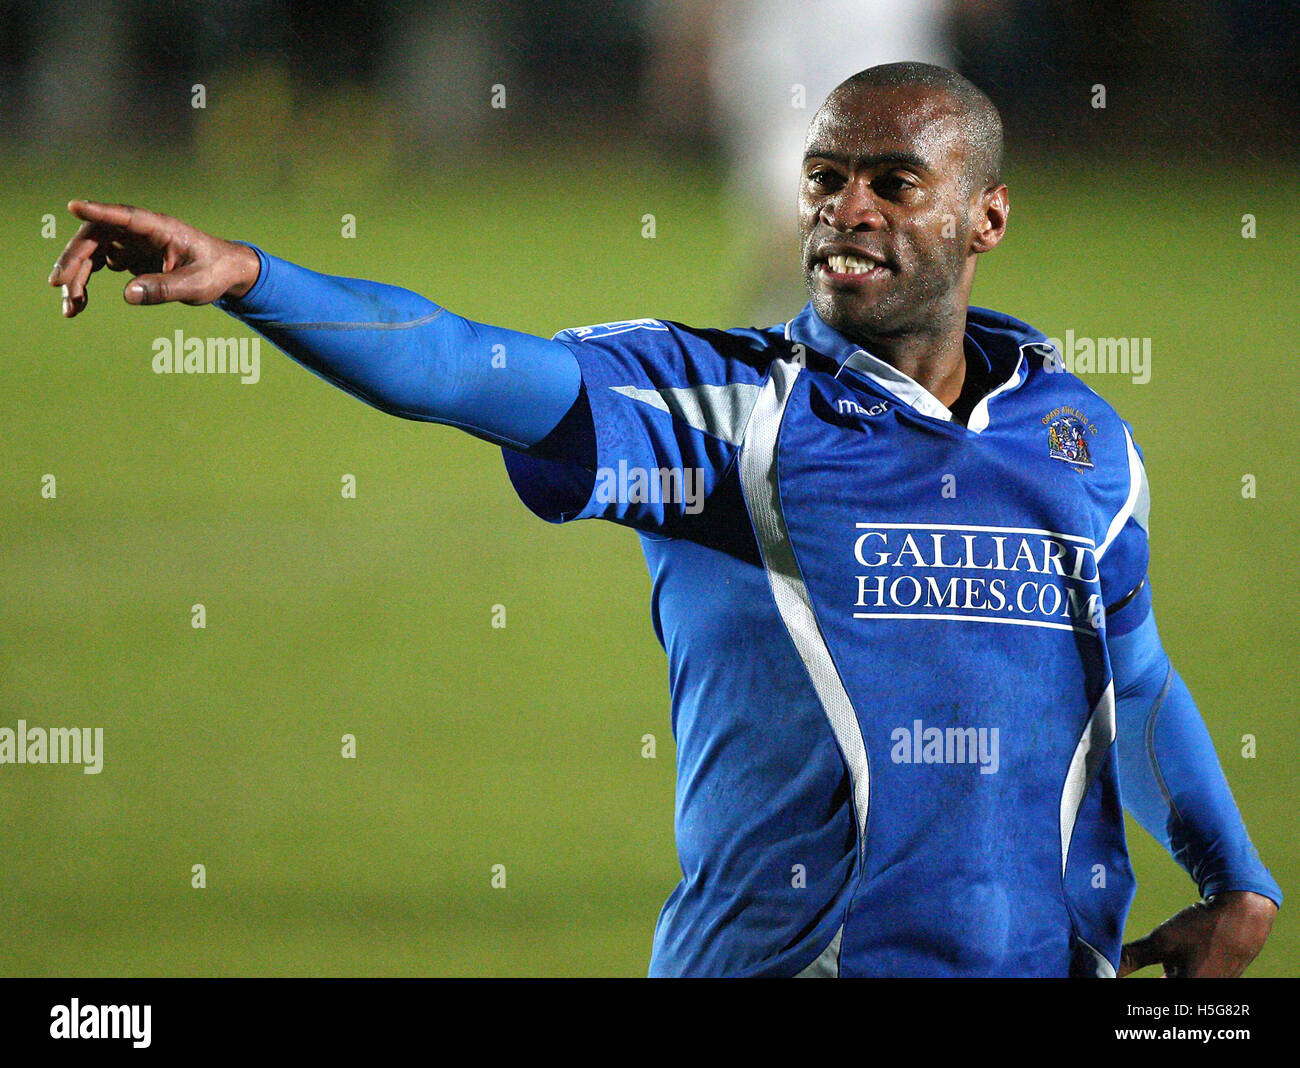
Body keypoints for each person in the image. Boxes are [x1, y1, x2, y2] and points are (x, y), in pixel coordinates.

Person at [48, 62, 1280, 978]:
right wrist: (259, 278)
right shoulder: (719, 408)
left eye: (894, 183)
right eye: (825, 178)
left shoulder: (1079, 443)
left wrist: (1233, 879)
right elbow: (460, 365)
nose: (845, 208)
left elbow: (1134, 671)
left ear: (985, 219)